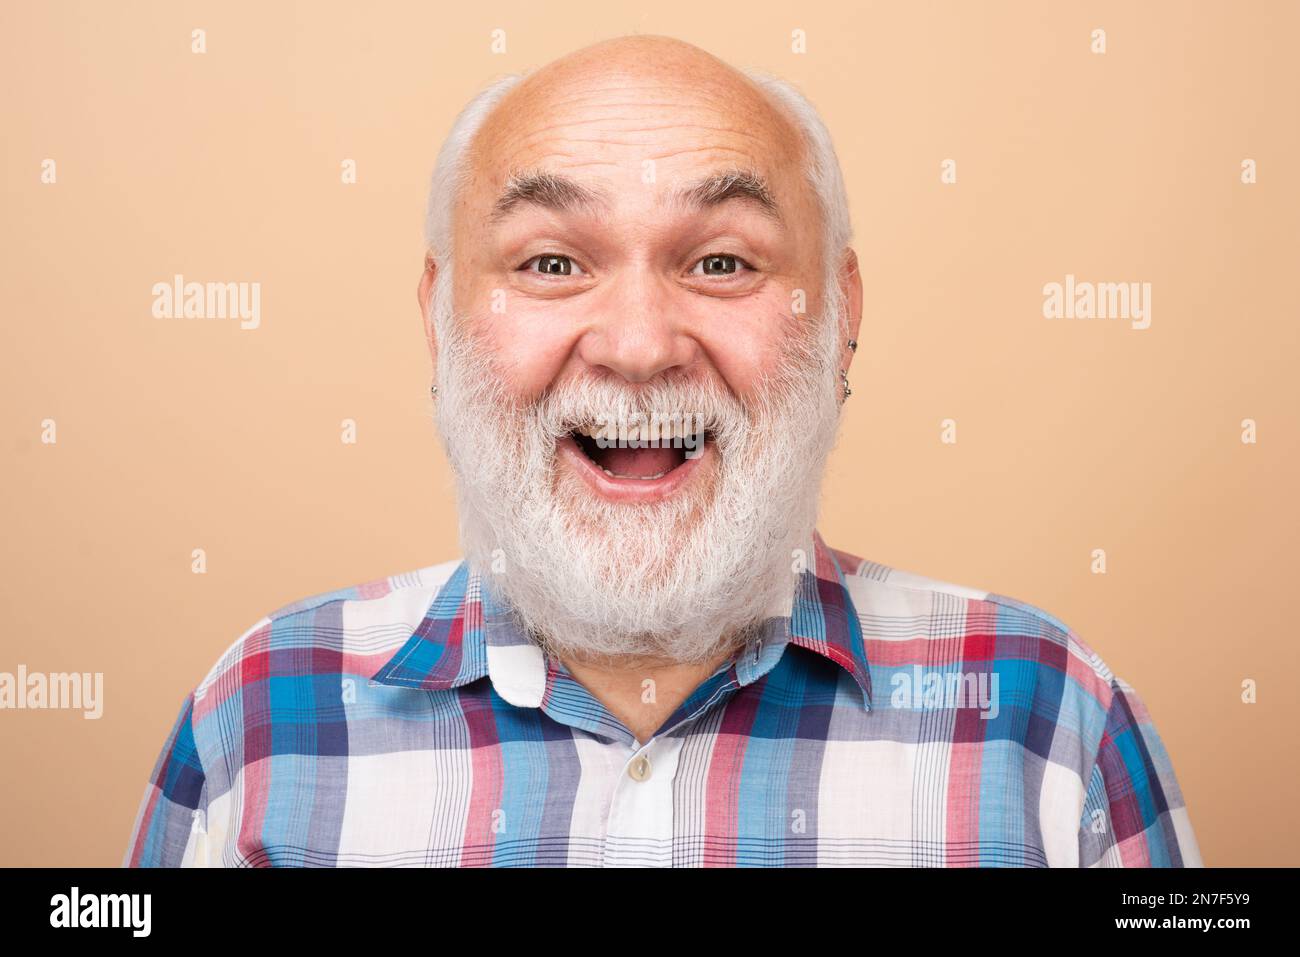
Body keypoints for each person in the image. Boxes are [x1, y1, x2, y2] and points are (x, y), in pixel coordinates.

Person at [124, 35, 1200, 867]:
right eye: (549, 263)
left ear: (838, 314)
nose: (639, 347)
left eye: (722, 262)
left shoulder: (1053, 722)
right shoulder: (259, 717)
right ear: (440, 317)